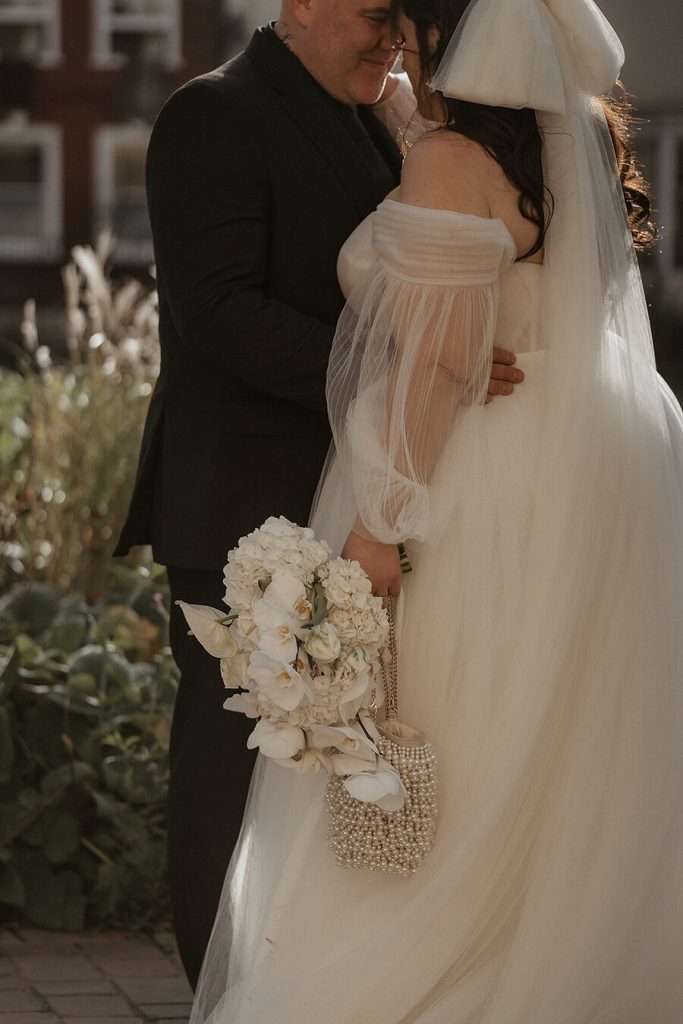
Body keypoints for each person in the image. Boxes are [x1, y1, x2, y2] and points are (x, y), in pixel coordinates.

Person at [188, 0, 683, 1021]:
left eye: (405, 25)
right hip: (587, 461)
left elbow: (446, 359)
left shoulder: (453, 159)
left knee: (457, 726)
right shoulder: (574, 127)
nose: (393, 43)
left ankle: (448, 967)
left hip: (482, 474)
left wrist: (378, 524)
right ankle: (561, 950)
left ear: (443, 36)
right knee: (559, 725)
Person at [113, 0, 523, 989]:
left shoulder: (374, 118)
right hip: (240, 509)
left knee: (308, 781)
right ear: (299, 1)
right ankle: (215, 992)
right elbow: (216, 311)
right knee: (231, 767)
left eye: (403, 15)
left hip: (346, 503)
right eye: (372, 11)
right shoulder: (212, 113)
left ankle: (284, 989)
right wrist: (403, 365)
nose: (393, 33)